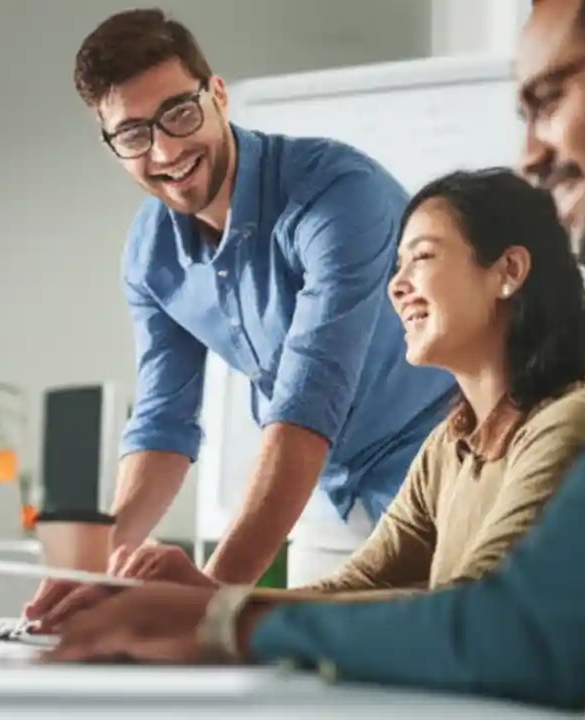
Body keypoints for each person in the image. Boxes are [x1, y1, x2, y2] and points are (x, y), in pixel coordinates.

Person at [44, 1, 585, 716]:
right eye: (133, 134)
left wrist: (222, 614)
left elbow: (538, 627)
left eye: (549, 98)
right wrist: (155, 587)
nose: (529, 155)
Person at [34, 168, 585, 630]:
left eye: (425, 257)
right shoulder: (450, 445)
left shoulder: (568, 426)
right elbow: (357, 585)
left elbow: (473, 610)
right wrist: (205, 595)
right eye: (398, 261)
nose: (397, 283)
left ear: (508, 270)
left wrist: (209, 610)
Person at [29, 7, 457, 614]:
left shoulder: (337, 194)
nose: (166, 150)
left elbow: (309, 402)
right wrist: (97, 570)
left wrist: (210, 598)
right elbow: (163, 423)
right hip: (323, 500)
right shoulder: (151, 251)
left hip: (434, 477)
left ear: (218, 96)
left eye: (179, 113)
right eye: (133, 135)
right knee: (308, 697)